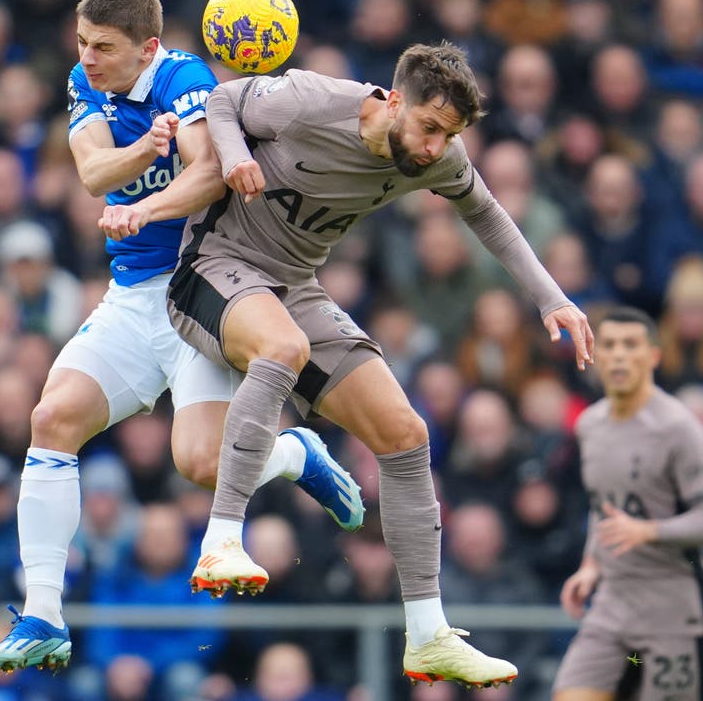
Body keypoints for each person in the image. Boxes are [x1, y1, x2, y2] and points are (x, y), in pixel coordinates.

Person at [102, 42, 594, 687]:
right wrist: (240, 154)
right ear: (394, 102)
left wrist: (551, 298)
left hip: (293, 287)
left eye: (448, 136)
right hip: (213, 267)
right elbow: (223, 100)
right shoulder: (314, 99)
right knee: (281, 349)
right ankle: (222, 539)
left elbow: (487, 215)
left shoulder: (439, 155)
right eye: (427, 128)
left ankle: (427, 635)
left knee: (406, 435)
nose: (432, 148)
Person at [0, 0, 363, 675]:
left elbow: (209, 171)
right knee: (52, 417)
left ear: (147, 46)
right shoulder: (82, 80)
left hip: (198, 290)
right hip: (129, 298)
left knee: (200, 465)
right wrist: (139, 157)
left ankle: (295, 453)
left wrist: (147, 206)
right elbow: (94, 172)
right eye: (82, 43)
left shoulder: (182, 77)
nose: (88, 58)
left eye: (104, 47)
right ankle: (43, 615)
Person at [553, 307, 703, 701]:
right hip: (613, 606)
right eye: (610, 345)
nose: (618, 355)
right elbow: (604, 507)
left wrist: (648, 531)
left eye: (631, 345)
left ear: (653, 356)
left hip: (672, 612)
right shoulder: (590, 426)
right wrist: (591, 564)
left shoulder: (678, 428)